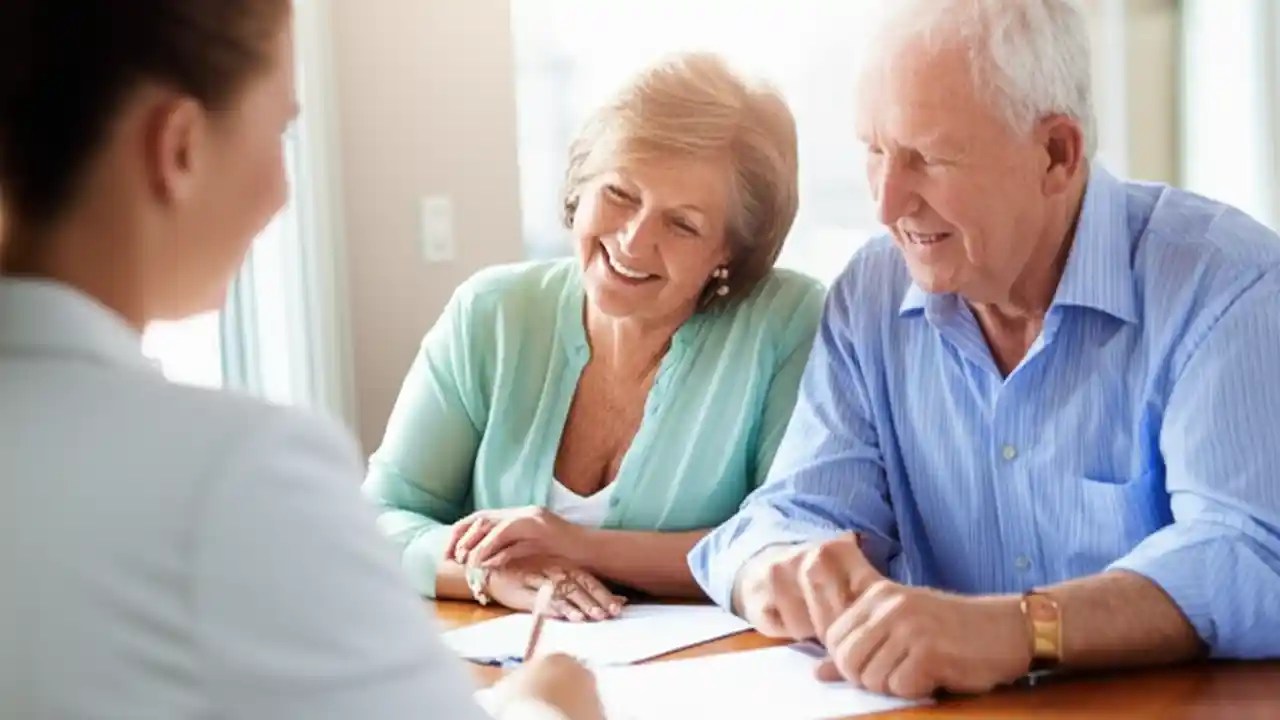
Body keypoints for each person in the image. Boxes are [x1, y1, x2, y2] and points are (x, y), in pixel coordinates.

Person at [0, 2, 601, 718]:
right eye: (281, 130)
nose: (283, 191)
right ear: (180, 146)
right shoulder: (236, 473)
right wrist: (546, 704)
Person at [690, 0, 1280, 700]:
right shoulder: (872, 294)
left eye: (928, 158)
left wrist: (1022, 629)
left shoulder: (1227, 283)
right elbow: (786, 514)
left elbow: (1251, 556)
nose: (886, 204)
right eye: (874, 151)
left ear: (1057, 155)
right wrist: (778, 566)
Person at [363, 52, 824, 619]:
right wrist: (490, 574)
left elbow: (789, 545)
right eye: (620, 194)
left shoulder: (786, 321)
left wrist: (575, 544)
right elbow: (378, 516)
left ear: (730, 249)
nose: (633, 241)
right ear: (582, 184)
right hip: (513, 674)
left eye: (681, 223)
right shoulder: (492, 313)